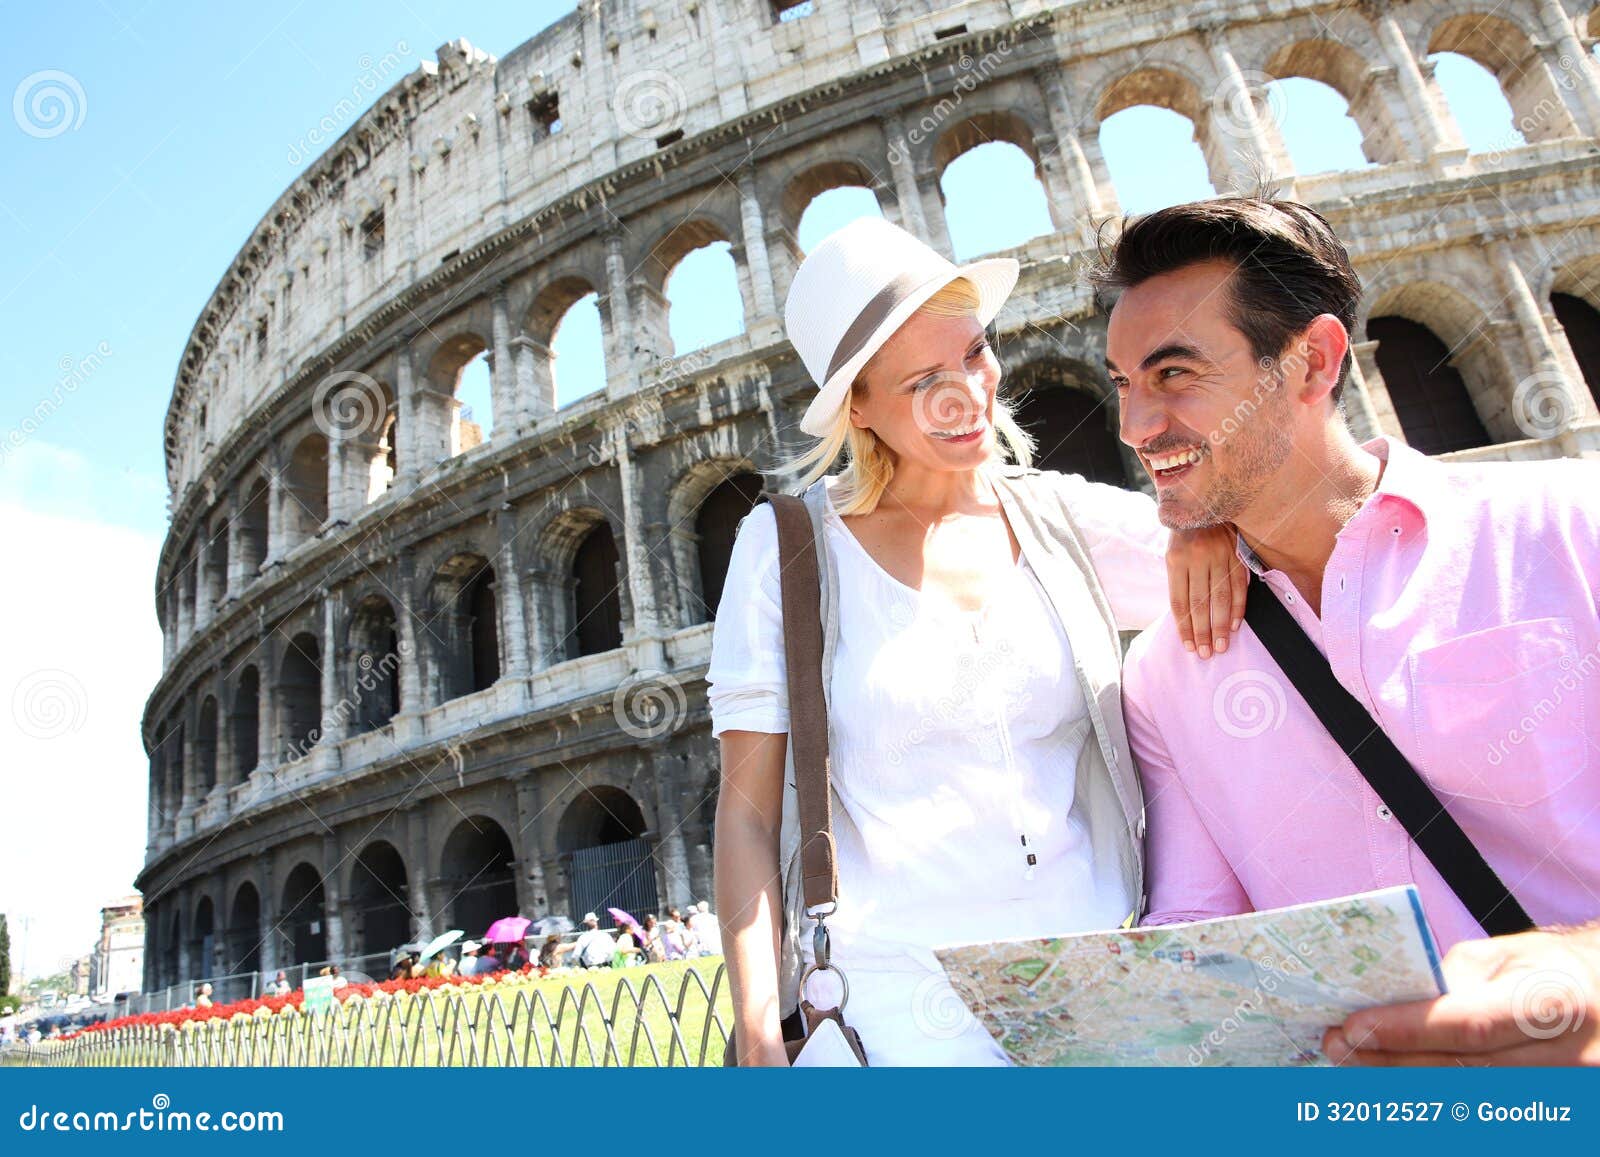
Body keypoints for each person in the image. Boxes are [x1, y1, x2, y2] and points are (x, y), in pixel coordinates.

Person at [710, 214, 1242, 1066]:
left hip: (1099, 999)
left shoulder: (1061, 516)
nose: (968, 393)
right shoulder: (785, 549)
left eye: (974, 351)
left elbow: (1268, 557)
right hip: (896, 1019)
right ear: (858, 405)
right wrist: (757, 1029)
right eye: (924, 378)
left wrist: (1205, 523)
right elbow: (744, 816)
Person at [1101, 195, 1600, 1066]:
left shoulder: (1571, 527)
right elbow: (1199, 924)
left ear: (1313, 360)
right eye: (1123, 383)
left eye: (1174, 374)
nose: (1135, 426)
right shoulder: (1164, 675)